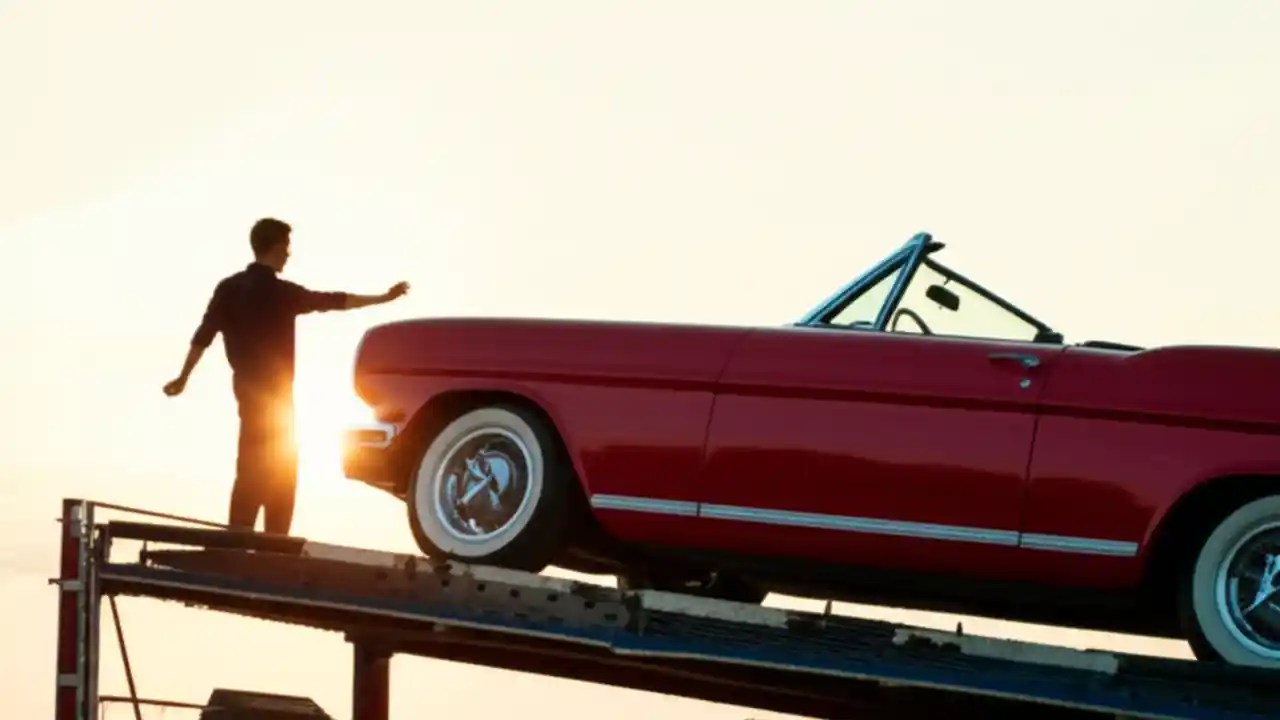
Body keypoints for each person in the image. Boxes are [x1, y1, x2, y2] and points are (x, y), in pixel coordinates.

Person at [163, 217, 409, 535]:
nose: (289, 255)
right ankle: (273, 541)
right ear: (277, 247)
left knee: (252, 463)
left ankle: (241, 535)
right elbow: (333, 301)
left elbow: (203, 336)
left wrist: (184, 376)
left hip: (247, 390)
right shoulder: (281, 293)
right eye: (287, 247)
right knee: (279, 465)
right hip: (277, 395)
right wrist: (382, 298)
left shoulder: (229, 288)